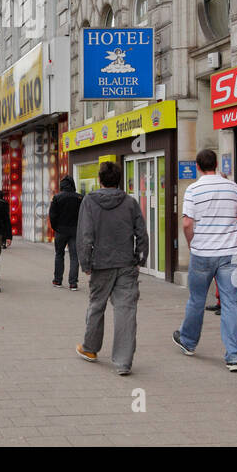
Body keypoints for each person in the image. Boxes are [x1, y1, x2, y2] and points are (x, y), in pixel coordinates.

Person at [173, 149, 237, 371]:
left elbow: (187, 223)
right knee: (231, 302)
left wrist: (191, 243)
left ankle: (188, 341)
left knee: (196, 299)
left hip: (203, 252)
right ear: (217, 164)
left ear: (197, 166)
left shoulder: (193, 190)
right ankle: (233, 356)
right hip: (232, 252)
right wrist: (228, 228)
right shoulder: (233, 187)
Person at [76, 160, 148, 376]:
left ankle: (90, 349)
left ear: (100, 180)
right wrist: (140, 258)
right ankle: (123, 362)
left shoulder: (89, 201)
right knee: (126, 310)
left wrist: (85, 262)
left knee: (97, 305)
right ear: (119, 180)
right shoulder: (130, 202)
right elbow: (141, 233)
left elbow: (85, 235)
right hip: (126, 263)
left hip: (101, 264)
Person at [49, 176, 82, 290]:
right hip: (75, 231)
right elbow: (83, 216)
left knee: (59, 254)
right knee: (74, 257)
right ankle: (73, 283)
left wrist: (56, 228)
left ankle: (58, 280)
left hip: (60, 230)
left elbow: (52, 215)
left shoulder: (57, 197)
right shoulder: (79, 197)